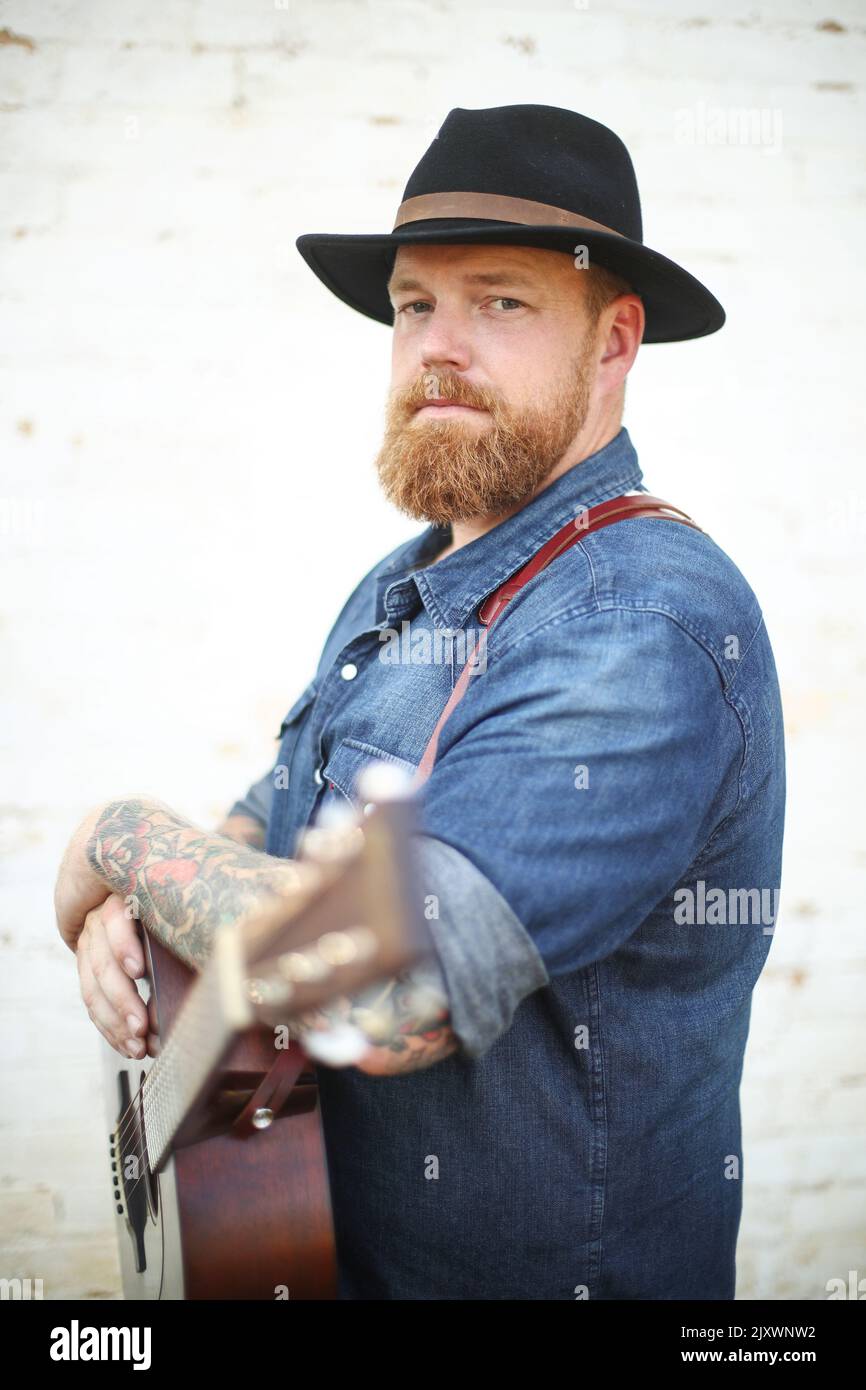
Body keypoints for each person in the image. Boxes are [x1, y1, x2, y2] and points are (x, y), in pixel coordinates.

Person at [54, 104, 785, 1300]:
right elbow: (263, 824)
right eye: (412, 305)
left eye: (498, 300)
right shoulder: (406, 583)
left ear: (612, 341)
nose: (438, 345)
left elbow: (380, 992)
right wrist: (134, 921)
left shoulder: (639, 625)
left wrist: (114, 840)